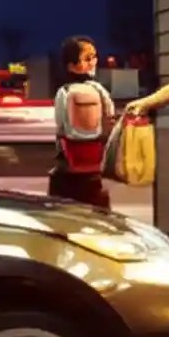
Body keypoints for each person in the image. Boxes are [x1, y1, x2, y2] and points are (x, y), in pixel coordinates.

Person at [48, 35, 115, 209]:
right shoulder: (99, 90)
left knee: (63, 209)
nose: (93, 62)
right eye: (87, 58)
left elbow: (61, 125)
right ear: (71, 64)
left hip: (69, 163)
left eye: (94, 57)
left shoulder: (64, 91)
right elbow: (110, 116)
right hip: (95, 160)